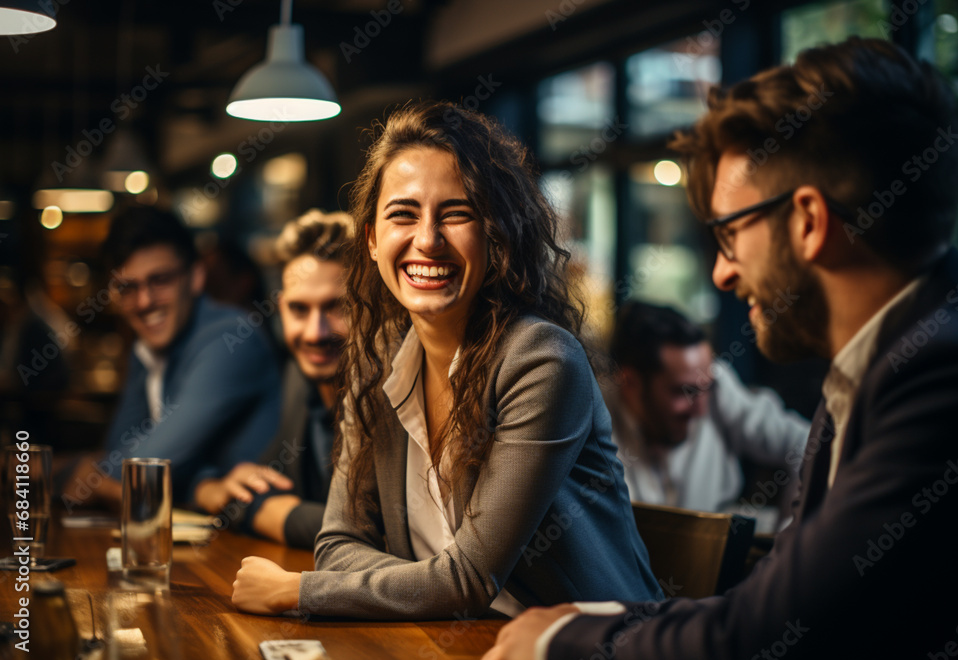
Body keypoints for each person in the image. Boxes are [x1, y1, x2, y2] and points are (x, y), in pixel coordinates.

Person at [482, 37, 958, 660]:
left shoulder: (949, 372)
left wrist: (562, 642)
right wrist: (601, 617)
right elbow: (770, 603)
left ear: (808, 221)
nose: (723, 274)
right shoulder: (880, 366)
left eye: (730, 234)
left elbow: (768, 639)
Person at [231, 101, 661, 618]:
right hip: (453, 642)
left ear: (495, 234)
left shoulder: (541, 361)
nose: (427, 240)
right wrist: (424, 583)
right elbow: (337, 542)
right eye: (403, 215)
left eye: (457, 213)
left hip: (589, 649)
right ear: (370, 239)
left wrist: (297, 590)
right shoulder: (377, 356)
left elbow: (468, 579)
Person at [60, 207, 281, 507]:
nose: (145, 301)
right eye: (127, 287)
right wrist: (201, 486)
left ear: (196, 277)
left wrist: (83, 473)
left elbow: (138, 471)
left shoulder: (232, 337)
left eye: (160, 279)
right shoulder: (148, 349)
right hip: (205, 533)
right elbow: (118, 456)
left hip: (256, 534)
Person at [194, 211, 352, 549]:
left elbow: (373, 538)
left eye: (336, 306)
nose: (315, 332)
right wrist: (215, 488)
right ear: (280, 308)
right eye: (299, 309)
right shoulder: (299, 377)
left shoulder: (398, 390)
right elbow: (251, 492)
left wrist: (273, 513)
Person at [608, 301, 807, 516]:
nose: (701, 410)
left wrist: (791, 531)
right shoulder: (594, 420)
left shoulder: (717, 384)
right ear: (630, 383)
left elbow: (807, 443)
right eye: (685, 392)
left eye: (707, 387)